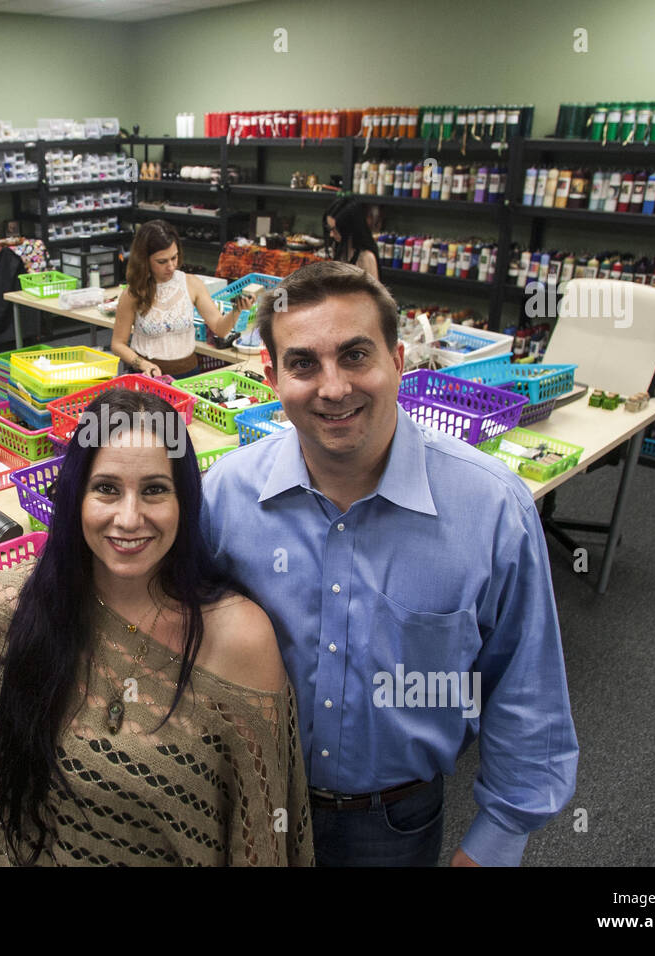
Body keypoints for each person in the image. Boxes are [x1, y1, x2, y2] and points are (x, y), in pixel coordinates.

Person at [200, 260, 578, 867]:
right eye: (303, 363)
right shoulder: (226, 495)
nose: (332, 387)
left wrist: (495, 842)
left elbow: (525, 688)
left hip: (393, 823)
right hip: (246, 802)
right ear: (271, 376)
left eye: (355, 356)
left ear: (399, 360)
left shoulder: (489, 508)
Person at [0, 388, 312, 866]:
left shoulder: (239, 639)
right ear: (77, 496)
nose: (129, 518)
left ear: (185, 500)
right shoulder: (20, 607)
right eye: (107, 489)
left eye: (155, 489)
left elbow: (263, 830)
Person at [110, 220, 251, 379]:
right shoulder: (134, 292)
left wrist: (237, 310)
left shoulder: (192, 284)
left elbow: (220, 328)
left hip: (188, 375)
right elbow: (118, 344)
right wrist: (142, 363)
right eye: (162, 261)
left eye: (174, 258)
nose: (171, 266)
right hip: (149, 376)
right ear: (145, 261)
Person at [323, 197, 380, 279]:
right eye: (330, 229)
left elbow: (374, 291)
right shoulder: (338, 247)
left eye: (336, 230)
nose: (331, 234)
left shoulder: (366, 258)